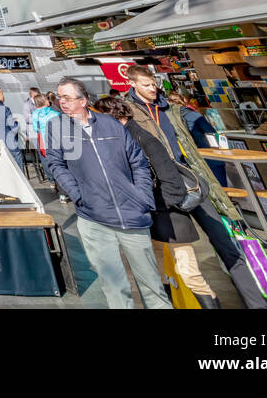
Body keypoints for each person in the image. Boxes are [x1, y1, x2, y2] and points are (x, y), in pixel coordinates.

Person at [122, 66, 267, 308]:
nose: (153, 88)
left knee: (224, 241)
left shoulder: (171, 109)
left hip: (193, 182)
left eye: (154, 83)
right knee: (177, 253)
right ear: (133, 84)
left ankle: (256, 303)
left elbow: (199, 137)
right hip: (163, 189)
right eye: (147, 84)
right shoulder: (127, 111)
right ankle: (199, 301)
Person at [42, 79, 171, 309]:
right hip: (94, 217)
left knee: (152, 285)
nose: (62, 102)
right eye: (59, 97)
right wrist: (78, 194)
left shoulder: (111, 125)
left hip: (132, 214)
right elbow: (55, 164)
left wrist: (141, 196)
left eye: (67, 98)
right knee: (114, 287)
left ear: (83, 101)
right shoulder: (56, 127)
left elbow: (138, 162)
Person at [94, 97, 220, 308]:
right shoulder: (123, 139)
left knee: (189, 273)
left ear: (115, 116)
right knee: (160, 275)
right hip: (151, 219)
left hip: (170, 217)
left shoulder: (144, 139)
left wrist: (152, 204)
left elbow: (172, 183)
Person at [168, 91, 227, 186]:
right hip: (208, 155)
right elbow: (211, 132)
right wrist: (225, 149)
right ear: (184, 100)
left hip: (189, 157)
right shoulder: (193, 115)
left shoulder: (170, 118)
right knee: (220, 183)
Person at [0, 86, 24, 165]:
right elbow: (14, 128)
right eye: (2, 94)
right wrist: (17, 123)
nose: (4, 97)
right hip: (8, 143)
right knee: (17, 159)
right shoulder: (4, 108)